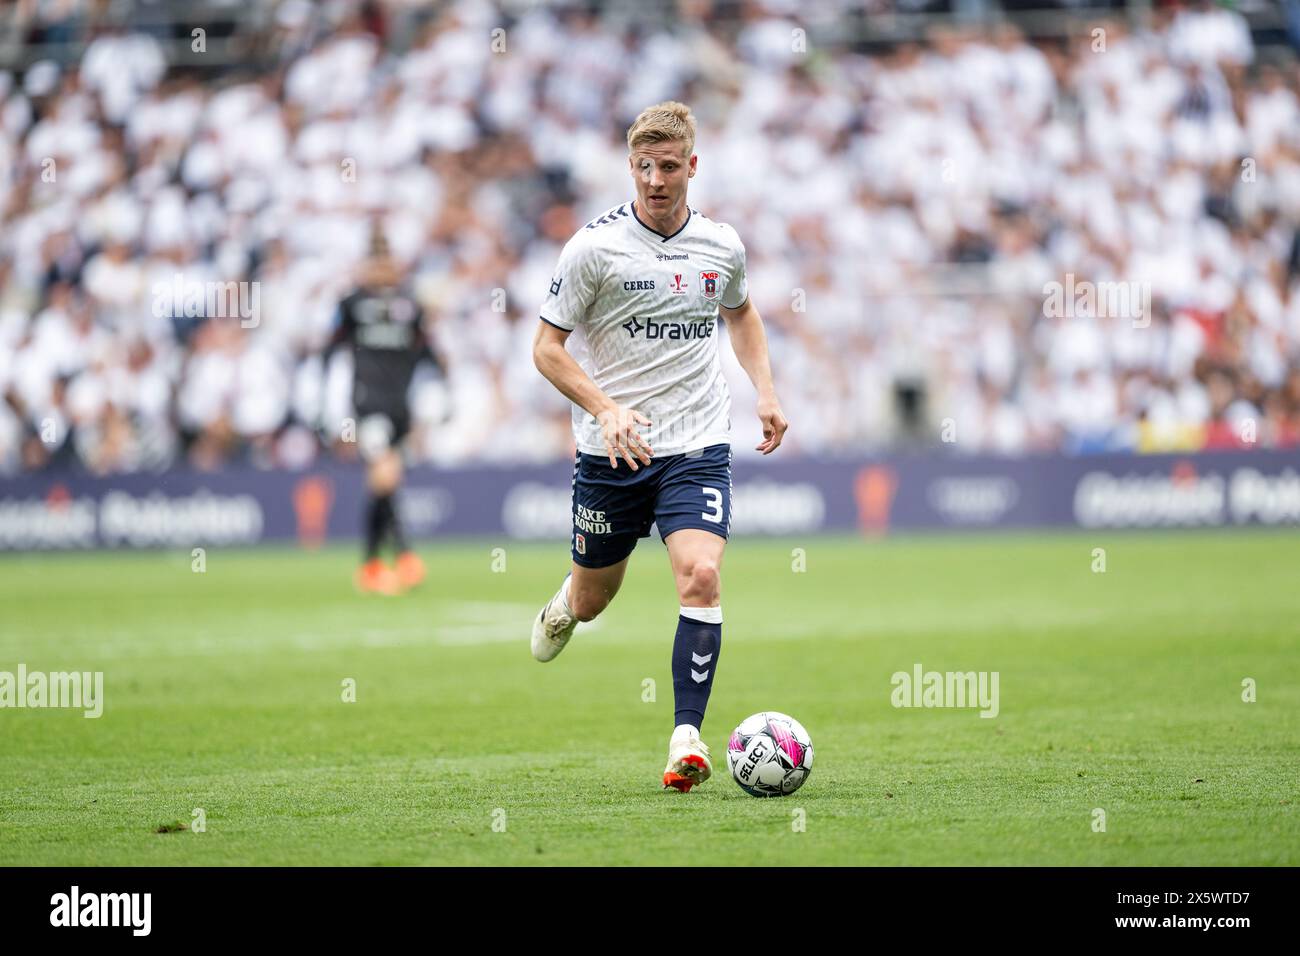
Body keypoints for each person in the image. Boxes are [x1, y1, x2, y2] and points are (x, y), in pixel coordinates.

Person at [529, 102, 789, 791]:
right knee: (592, 601)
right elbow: (546, 350)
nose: (655, 179)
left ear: (692, 167)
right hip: (611, 450)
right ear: (629, 168)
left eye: (668, 166)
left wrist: (764, 389)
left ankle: (685, 737)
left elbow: (743, 314)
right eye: (643, 166)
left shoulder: (720, 246)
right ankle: (563, 604)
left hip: (696, 442)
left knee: (701, 574)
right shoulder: (592, 250)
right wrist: (605, 407)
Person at [327, 236, 441, 595]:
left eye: (387, 263)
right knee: (386, 475)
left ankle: (371, 565)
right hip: (367, 404)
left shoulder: (410, 305)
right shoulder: (350, 304)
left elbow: (428, 354)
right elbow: (329, 352)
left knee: (382, 484)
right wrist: (328, 414)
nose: (382, 271)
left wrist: (438, 397)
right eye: (375, 264)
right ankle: (405, 556)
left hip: (400, 408)